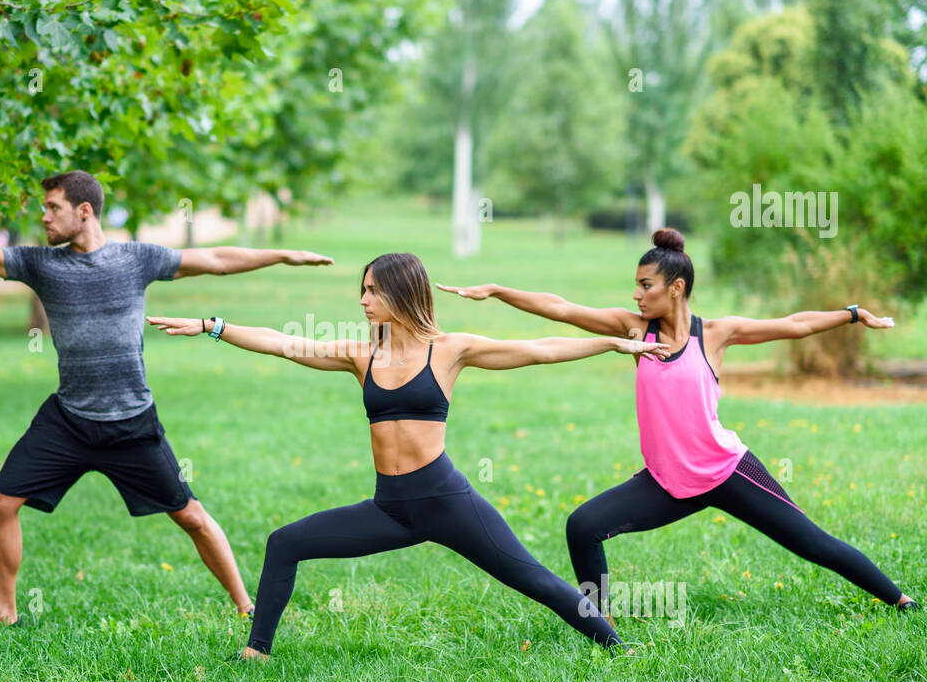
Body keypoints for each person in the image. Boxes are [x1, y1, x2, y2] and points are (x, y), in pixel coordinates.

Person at [0, 169, 334, 625]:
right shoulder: (39, 264)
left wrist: (284, 254)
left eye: (52, 207)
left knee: (191, 516)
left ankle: (246, 605)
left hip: (131, 423)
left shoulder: (137, 260)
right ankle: (4, 613)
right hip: (69, 420)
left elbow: (219, 260)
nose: (43, 217)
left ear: (84, 211)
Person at [147, 251, 671, 659]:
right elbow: (284, 342)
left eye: (372, 290)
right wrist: (214, 326)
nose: (363, 300)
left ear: (399, 293)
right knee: (285, 543)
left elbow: (538, 349)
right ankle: (256, 651)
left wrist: (610, 345)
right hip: (390, 508)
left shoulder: (449, 349)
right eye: (363, 290)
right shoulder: (361, 354)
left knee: (534, 579)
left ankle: (617, 648)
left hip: (447, 501)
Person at [438, 227, 919, 627]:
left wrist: (853, 314)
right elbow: (561, 307)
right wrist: (498, 291)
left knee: (813, 543)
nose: (636, 294)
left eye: (645, 285)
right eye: (636, 285)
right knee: (582, 525)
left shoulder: (717, 333)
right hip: (667, 482)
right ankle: (599, 624)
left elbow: (793, 324)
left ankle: (900, 600)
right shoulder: (632, 330)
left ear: (676, 287)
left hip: (728, 471)